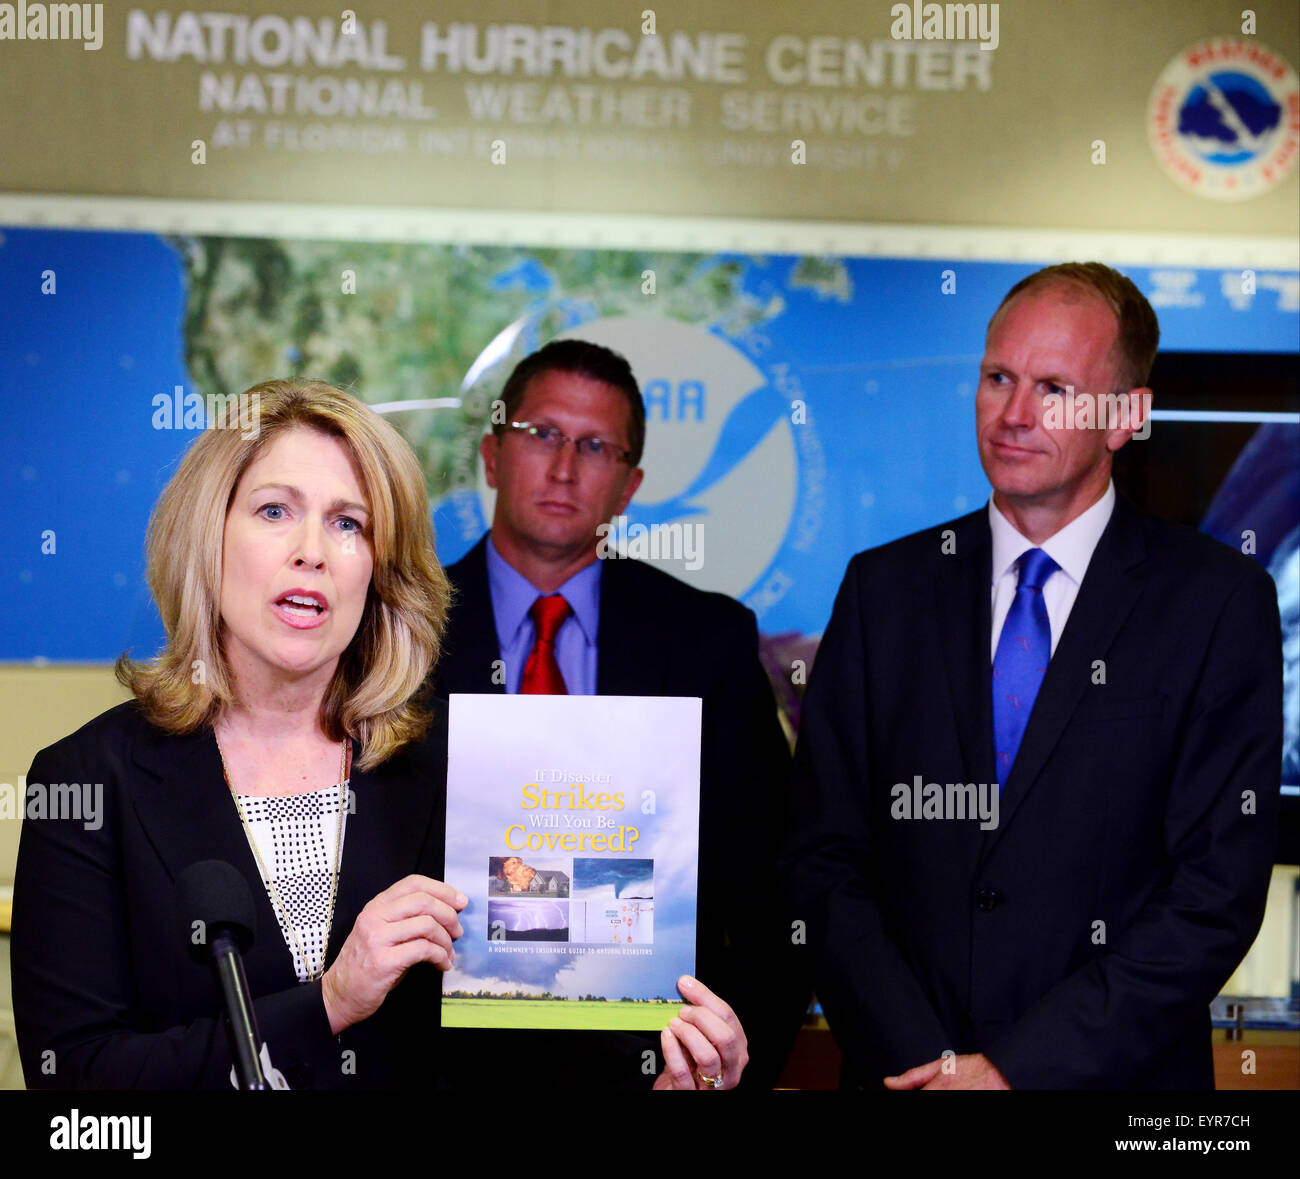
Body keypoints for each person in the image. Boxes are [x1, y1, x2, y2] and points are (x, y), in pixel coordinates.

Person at [782, 263, 1283, 1090]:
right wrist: (928, 1062)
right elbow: (821, 858)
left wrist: (1016, 1069)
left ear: (1126, 415)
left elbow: (1213, 892)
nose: (1014, 414)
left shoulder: (1216, 604)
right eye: (997, 378)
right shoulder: (885, 591)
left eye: (1053, 387)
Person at [12, 380, 466, 1089]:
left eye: (350, 523)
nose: (312, 549)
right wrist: (328, 1003)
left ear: (380, 572)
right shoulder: (89, 780)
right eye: (275, 510)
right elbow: (77, 1079)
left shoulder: (452, 775)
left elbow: (518, 1052)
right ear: (208, 533)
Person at [434, 339, 806, 1090]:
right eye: (542, 435)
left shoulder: (708, 642)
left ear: (630, 485)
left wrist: (721, 1069)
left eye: (596, 446)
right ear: (491, 454)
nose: (565, 466)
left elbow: (776, 891)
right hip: (434, 1071)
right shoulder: (399, 634)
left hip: (652, 1073)